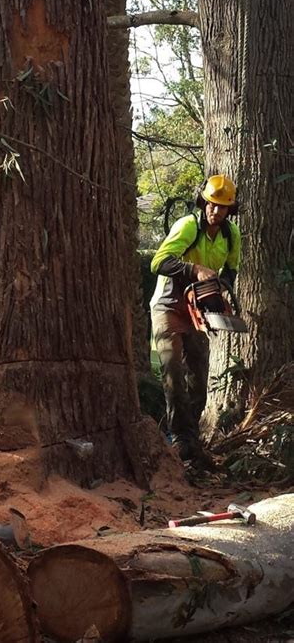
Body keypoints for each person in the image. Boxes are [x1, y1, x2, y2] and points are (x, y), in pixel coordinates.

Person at [150, 174, 241, 470]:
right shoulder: (188, 225)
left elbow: (231, 269)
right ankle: (178, 440)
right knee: (173, 372)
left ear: (230, 209)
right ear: (204, 202)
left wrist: (221, 289)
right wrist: (194, 269)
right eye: (212, 205)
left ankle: (192, 441)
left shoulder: (231, 234)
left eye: (222, 207)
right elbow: (158, 262)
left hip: (197, 310)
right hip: (168, 305)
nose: (216, 211)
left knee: (199, 377)